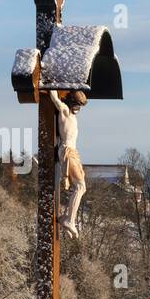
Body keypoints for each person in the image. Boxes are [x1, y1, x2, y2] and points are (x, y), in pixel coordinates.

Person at [48, 89, 87, 238]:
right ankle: (69, 220)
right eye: (77, 105)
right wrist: (52, 84)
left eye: (80, 106)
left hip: (73, 152)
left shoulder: (73, 116)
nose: (78, 109)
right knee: (80, 186)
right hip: (67, 151)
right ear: (71, 103)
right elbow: (54, 98)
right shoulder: (64, 110)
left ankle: (67, 218)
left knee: (82, 187)